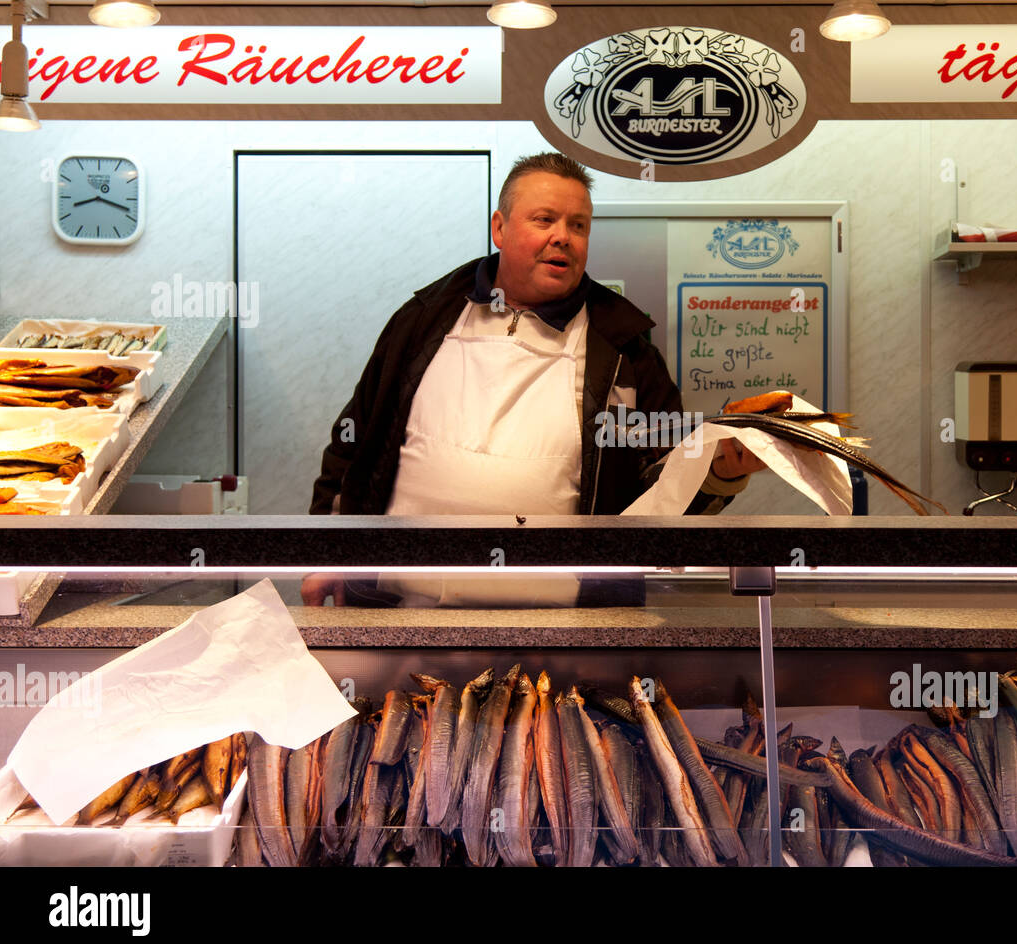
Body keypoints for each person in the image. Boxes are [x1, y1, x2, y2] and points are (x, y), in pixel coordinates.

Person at [303, 152, 764, 606]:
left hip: (571, 631)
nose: (562, 238)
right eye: (544, 220)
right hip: (405, 610)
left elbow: (664, 490)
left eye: (578, 225)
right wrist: (324, 554)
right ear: (499, 228)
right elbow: (351, 447)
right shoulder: (422, 320)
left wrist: (719, 469)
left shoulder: (626, 349)